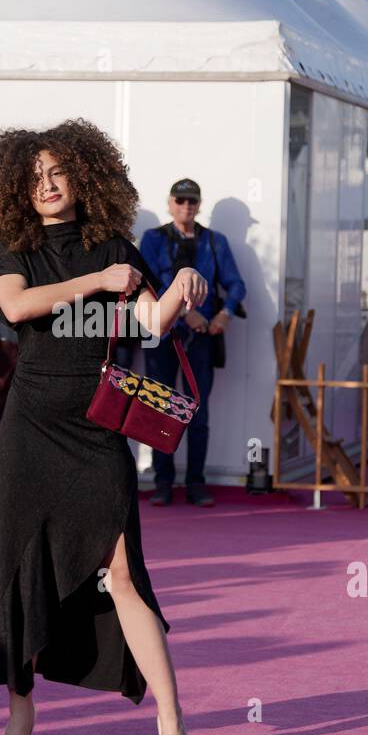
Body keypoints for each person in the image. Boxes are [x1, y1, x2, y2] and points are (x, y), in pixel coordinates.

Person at [0, 118, 205, 735]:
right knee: (18, 575)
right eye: (34, 177)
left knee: (124, 574)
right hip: (32, 428)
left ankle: (170, 718)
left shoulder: (114, 245)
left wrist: (182, 290)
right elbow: (16, 308)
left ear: (81, 174)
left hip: (99, 428)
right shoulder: (15, 250)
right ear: (16, 188)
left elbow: (149, 323)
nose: (46, 185)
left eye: (56, 172)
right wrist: (94, 285)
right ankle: (21, 706)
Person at [139, 178, 246, 508]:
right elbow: (148, 282)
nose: (186, 206)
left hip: (201, 340)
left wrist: (224, 315)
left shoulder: (216, 241)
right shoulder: (153, 239)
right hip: (162, 336)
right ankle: (163, 482)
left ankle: (196, 483)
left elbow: (236, 285)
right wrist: (186, 315)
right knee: (161, 408)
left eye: (192, 201)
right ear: (170, 203)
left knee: (198, 411)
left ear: (199, 205)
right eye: (180, 200)